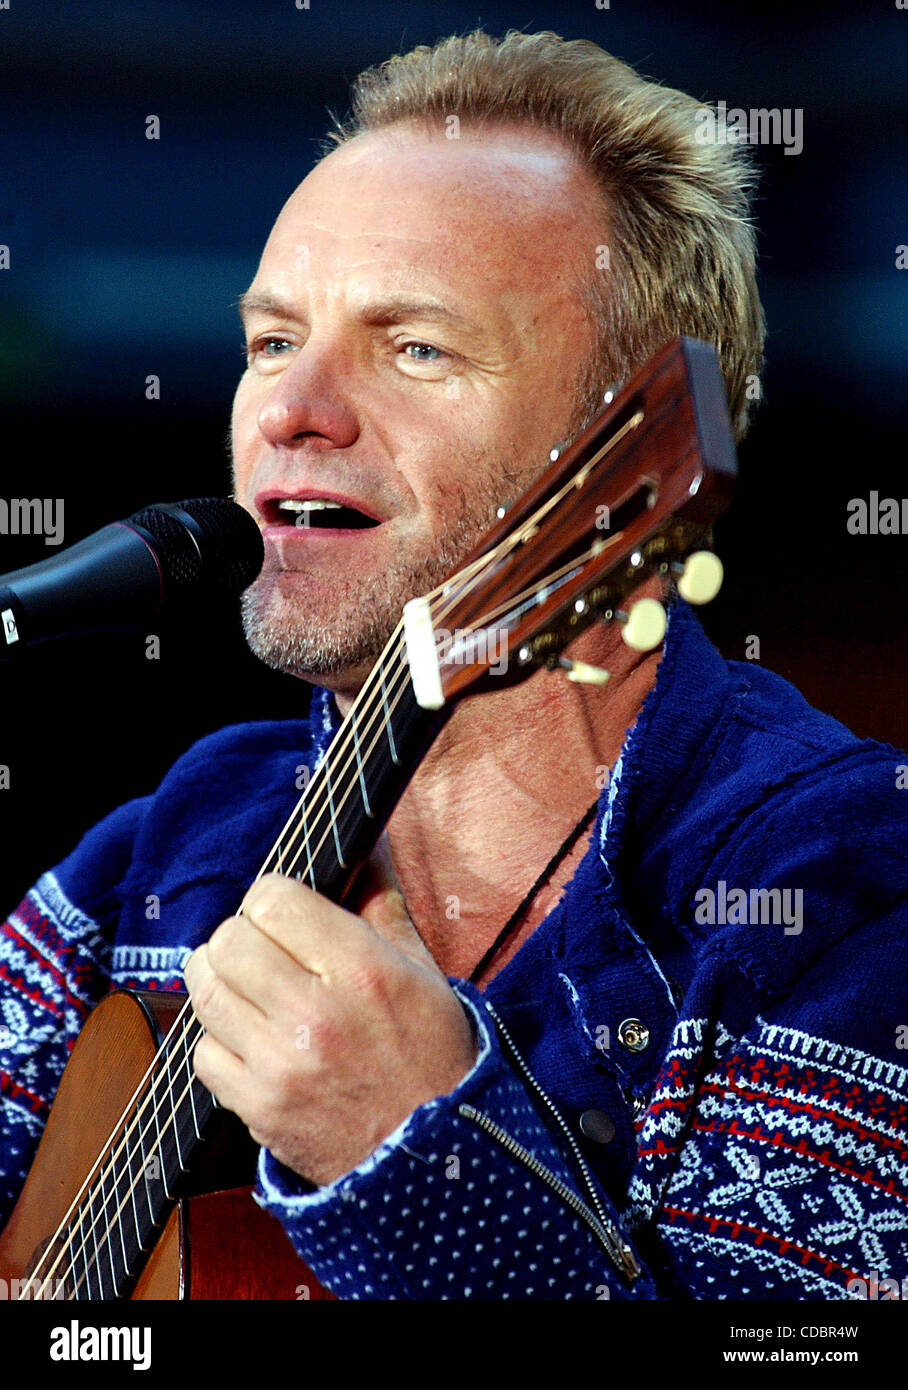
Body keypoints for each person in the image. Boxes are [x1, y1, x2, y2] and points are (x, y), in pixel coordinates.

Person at [1, 29, 906, 1302]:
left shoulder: (840, 886)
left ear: (618, 465)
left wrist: (422, 1160)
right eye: (270, 341)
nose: (289, 410)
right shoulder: (149, 864)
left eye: (413, 346)